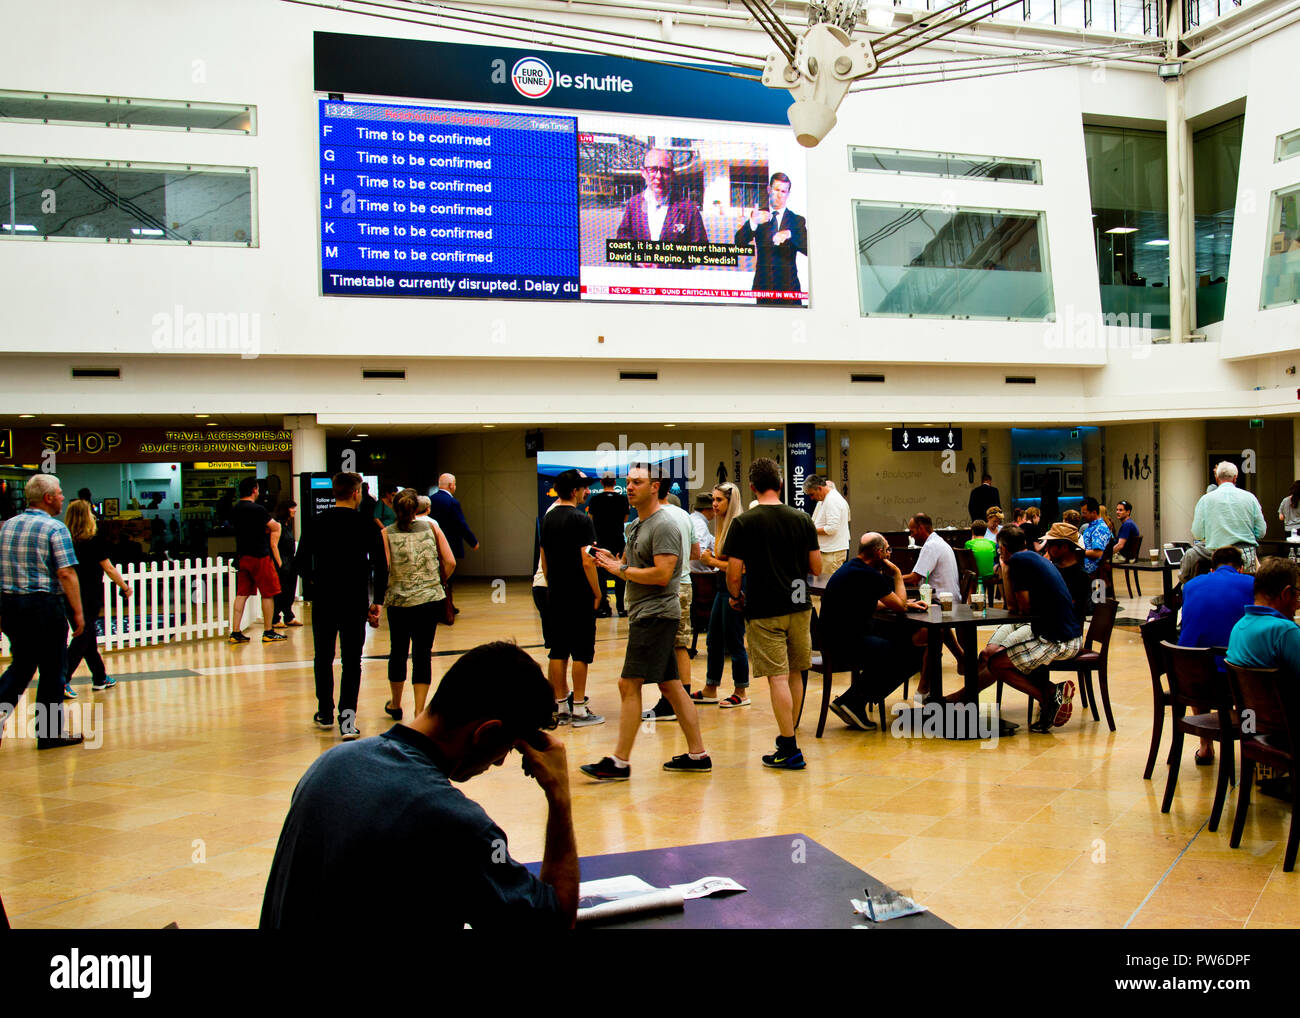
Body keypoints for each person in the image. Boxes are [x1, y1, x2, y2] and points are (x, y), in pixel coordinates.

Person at [260, 641, 578, 930]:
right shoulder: (453, 822)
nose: (498, 763)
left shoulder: (331, 765)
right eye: (507, 749)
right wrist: (559, 797)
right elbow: (554, 922)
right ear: (486, 733)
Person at [584, 463, 711, 780]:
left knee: (628, 683)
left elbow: (662, 574)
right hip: (645, 611)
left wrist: (618, 571)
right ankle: (698, 755)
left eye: (637, 482)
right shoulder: (637, 524)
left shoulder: (664, 524)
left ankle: (620, 762)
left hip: (656, 613)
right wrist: (611, 561)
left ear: (655, 486)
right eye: (628, 481)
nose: (629, 487)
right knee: (671, 686)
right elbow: (631, 564)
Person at [721, 457, 821, 770]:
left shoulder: (744, 523)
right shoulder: (802, 518)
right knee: (795, 672)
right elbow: (816, 567)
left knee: (776, 676)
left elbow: (734, 572)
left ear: (751, 487)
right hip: (799, 604)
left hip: (764, 609)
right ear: (780, 484)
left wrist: (736, 598)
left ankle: (789, 746)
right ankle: (787, 737)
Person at [296, 472, 388, 740]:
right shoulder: (367, 525)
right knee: (352, 660)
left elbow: (301, 562)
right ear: (357, 493)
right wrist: (378, 601)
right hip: (354, 599)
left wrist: (315, 583)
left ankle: (324, 711)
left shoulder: (316, 523)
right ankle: (347, 720)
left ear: (334, 492)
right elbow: (381, 565)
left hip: (325, 598)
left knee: (323, 656)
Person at [967, 527, 1083, 732]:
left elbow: (1016, 607)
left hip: (1058, 640)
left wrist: (1004, 568)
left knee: (997, 664)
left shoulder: (1019, 562)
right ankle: (1050, 693)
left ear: (1002, 549)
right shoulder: (1034, 558)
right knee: (995, 658)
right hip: (1061, 634)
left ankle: (1048, 698)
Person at [0, 474, 85, 750]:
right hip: (44, 605)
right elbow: (65, 572)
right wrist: (77, 614)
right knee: (52, 670)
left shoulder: (7, 526)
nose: (63, 497)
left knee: (22, 665)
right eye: (60, 493)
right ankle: (49, 733)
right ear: (48, 498)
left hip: (11, 604)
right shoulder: (55, 529)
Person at [823, 533, 914, 731]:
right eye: (888, 550)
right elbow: (900, 606)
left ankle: (855, 701)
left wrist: (908, 603)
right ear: (879, 552)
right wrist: (898, 575)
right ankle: (853, 702)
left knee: (894, 647)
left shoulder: (851, 568)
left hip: (833, 640)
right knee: (906, 654)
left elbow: (868, 603)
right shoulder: (869, 574)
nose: (889, 554)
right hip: (846, 644)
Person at [382, 488, 455, 722]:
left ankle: (395, 703)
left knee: (398, 650)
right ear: (416, 509)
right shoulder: (432, 528)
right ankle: (419, 709)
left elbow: (384, 569)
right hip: (428, 599)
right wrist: (438, 581)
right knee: (422, 653)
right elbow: (450, 560)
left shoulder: (386, 533)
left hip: (398, 601)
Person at [539, 469, 605, 729]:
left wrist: (552, 581)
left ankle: (561, 706)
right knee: (581, 651)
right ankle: (579, 708)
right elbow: (587, 560)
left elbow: (544, 556)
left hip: (555, 590)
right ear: (575, 491)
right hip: (579, 593)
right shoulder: (582, 519)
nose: (586, 492)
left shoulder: (549, 517)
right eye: (584, 488)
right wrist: (598, 592)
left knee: (557, 649)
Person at [1180, 546, 1254, 765]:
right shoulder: (1251, 584)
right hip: (1235, 681)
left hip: (1190, 680)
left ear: (1212, 569)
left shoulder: (1190, 586)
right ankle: (1251, 745)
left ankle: (1205, 747)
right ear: (1240, 568)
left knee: (1199, 663)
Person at [642, 481, 702, 720]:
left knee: (664, 645)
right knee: (680, 644)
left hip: (664, 587)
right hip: (686, 583)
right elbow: (696, 553)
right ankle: (681, 699)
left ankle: (670, 703)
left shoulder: (655, 518)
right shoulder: (684, 516)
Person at [63, 499, 131, 697]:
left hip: (68, 594)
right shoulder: (94, 540)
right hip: (89, 595)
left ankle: (100, 677)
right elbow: (109, 568)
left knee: (87, 637)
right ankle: (62, 679)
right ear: (87, 517)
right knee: (83, 637)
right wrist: (125, 587)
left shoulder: (64, 540)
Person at [694, 482, 749, 707]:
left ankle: (741, 690)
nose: (714, 505)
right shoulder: (721, 525)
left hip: (735, 589)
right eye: (713, 500)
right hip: (722, 587)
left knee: (734, 640)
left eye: (719, 500)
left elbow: (743, 568)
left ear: (730, 501)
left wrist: (711, 561)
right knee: (713, 639)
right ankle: (711, 687)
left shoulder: (738, 525)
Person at [614, 148, 708, 267]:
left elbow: (702, 249)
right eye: (653, 169)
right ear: (643, 172)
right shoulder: (633, 204)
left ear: (672, 175)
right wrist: (636, 257)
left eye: (665, 171)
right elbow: (622, 238)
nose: (658, 176)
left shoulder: (689, 209)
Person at [902, 512, 962, 694]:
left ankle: (924, 684)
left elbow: (914, 578)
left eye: (912, 531)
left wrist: (891, 577)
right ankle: (963, 659)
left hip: (941, 602)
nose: (911, 535)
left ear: (921, 528)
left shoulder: (931, 546)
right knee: (939, 630)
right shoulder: (939, 542)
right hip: (950, 600)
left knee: (929, 634)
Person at [733, 171, 808, 305]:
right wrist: (753, 223)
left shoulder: (797, 220)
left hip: (789, 289)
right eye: (776, 190)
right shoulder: (758, 215)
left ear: (788, 194)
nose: (780, 195)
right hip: (764, 289)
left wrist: (790, 234)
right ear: (769, 190)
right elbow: (739, 242)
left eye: (784, 191)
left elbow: (809, 249)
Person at [228, 477, 286, 645]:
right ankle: (269, 631)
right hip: (260, 555)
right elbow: (275, 526)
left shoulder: (235, 509)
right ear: (254, 489)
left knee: (241, 594)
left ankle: (236, 631)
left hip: (242, 556)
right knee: (268, 593)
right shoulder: (258, 509)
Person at [1226, 556, 1300, 678]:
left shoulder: (1238, 627)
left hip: (1248, 697)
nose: (1298, 605)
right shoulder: (1285, 632)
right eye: (1297, 596)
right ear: (1286, 594)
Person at [1192, 462, 1267, 571]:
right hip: (1245, 553)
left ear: (1217, 478)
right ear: (1235, 478)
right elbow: (1261, 531)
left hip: (1218, 554)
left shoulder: (1205, 500)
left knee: (1221, 587)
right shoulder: (1250, 498)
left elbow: (1197, 533)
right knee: (1246, 586)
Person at [430, 473, 479, 613]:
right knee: (448, 577)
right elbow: (460, 524)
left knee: (437, 574)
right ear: (451, 485)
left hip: (433, 544)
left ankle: (441, 606)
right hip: (449, 544)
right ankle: (447, 607)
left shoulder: (430, 500)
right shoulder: (452, 502)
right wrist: (473, 541)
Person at [587, 475, 631, 617]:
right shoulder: (622, 499)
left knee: (600, 576)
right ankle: (621, 607)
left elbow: (591, 519)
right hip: (618, 541)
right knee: (620, 573)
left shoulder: (594, 500)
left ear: (601, 483)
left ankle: (603, 608)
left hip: (600, 542)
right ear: (614, 482)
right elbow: (625, 518)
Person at [804, 474, 850, 586]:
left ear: (819, 488)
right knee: (824, 588)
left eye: (812, 494)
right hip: (829, 551)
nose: (811, 498)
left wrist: (811, 530)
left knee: (828, 589)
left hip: (831, 553)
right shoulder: (827, 499)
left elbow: (832, 528)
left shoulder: (832, 500)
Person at [1042, 522, 1091, 625]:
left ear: (1064, 547)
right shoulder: (1053, 569)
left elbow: (1068, 609)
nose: (1046, 549)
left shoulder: (1080, 576)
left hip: (1064, 631)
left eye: (1050, 545)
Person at [271, 499, 301, 629]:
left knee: (289, 590)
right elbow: (274, 545)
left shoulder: (287, 525)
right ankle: (275, 618)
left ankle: (288, 615)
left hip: (290, 561)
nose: (294, 510)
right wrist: (280, 564)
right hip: (283, 561)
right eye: (292, 508)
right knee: (281, 591)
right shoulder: (278, 525)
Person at [1079, 497, 1112, 577]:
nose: (1082, 515)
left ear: (1094, 512)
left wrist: (1077, 553)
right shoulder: (1092, 526)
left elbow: (1097, 553)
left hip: (1091, 569)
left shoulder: (1099, 528)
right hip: (1087, 566)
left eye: (1084, 513)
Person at [964, 520, 998, 586]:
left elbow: (967, 560)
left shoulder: (969, 543)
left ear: (972, 531)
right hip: (990, 575)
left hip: (975, 576)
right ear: (985, 532)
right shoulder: (992, 543)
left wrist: (972, 539)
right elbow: (993, 558)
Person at [688, 492, 715, 573]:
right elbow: (700, 551)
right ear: (706, 509)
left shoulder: (691, 518)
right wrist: (713, 564)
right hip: (701, 575)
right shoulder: (700, 524)